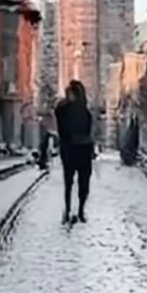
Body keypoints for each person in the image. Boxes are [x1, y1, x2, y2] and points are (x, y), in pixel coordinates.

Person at [54, 80, 94, 224]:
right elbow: (58, 118)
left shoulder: (84, 112)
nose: (68, 96)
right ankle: (69, 209)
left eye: (70, 93)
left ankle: (80, 210)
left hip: (80, 150)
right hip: (72, 150)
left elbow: (88, 131)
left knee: (83, 183)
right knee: (69, 182)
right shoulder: (65, 109)